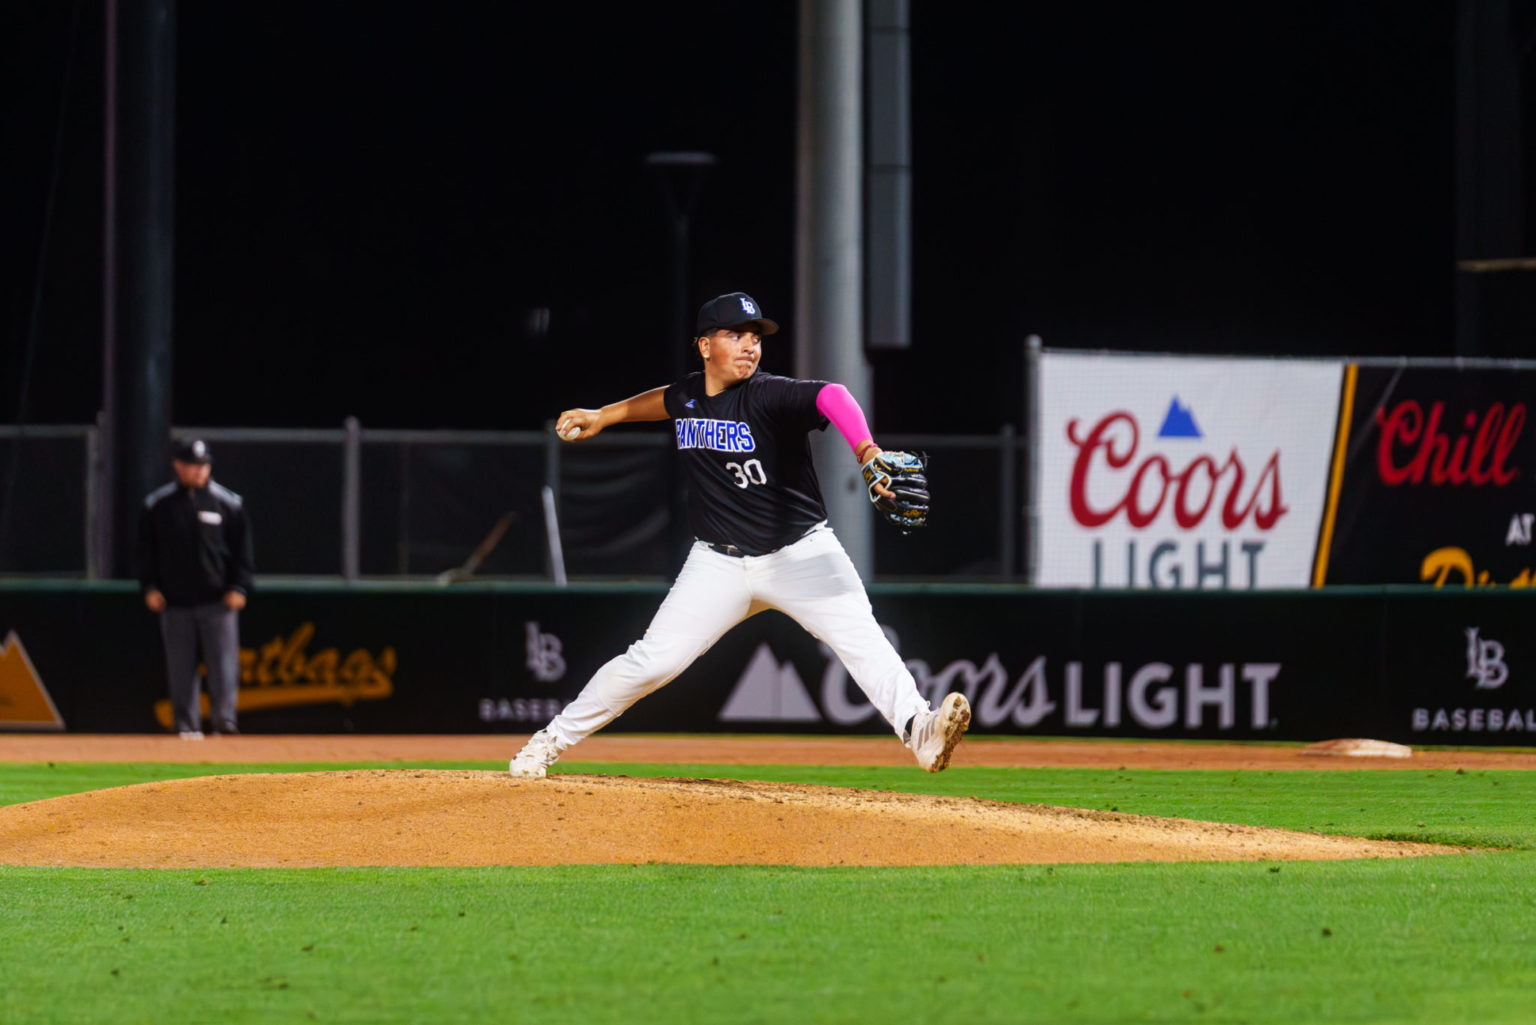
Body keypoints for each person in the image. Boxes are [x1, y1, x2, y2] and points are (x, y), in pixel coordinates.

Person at [510, 291, 969, 778]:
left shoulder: (769, 394)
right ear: (705, 346)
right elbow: (663, 401)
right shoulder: (688, 394)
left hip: (800, 553)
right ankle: (548, 743)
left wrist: (866, 449)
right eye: (736, 335)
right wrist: (605, 415)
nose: (751, 345)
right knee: (649, 663)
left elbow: (832, 394)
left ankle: (920, 729)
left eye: (756, 337)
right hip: (718, 564)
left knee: (862, 637)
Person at [137, 438, 254, 739]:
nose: (199, 470)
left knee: (223, 665)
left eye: (204, 465)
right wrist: (149, 587)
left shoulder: (228, 503)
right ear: (178, 466)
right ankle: (185, 724)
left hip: (218, 600)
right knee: (181, 667)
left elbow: (242, 551)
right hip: (175, 601)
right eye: (192, 465)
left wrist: (239, 586)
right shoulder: (158, 505)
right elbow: (146, 552)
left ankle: (224, 721)